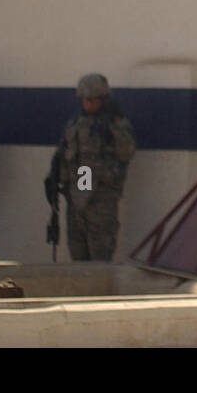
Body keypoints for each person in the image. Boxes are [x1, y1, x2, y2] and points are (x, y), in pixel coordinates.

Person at [46, 73, 136, 261]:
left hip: (100, 200)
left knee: (100, 258)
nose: (88, 104)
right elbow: (67, 157)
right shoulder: (75, 124)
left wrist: (115, 128)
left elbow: (125, 154)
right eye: (85, 100)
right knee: (78, 256)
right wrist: (54, 180)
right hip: (77, 200)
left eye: (93, 100)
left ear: (103, 100)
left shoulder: (115, 124)